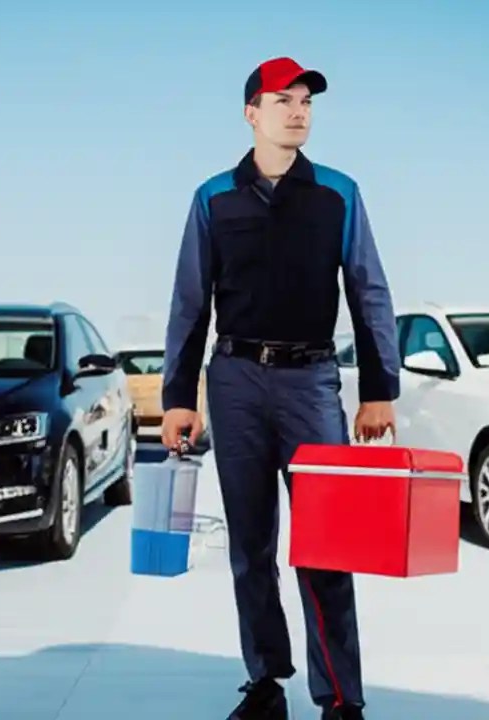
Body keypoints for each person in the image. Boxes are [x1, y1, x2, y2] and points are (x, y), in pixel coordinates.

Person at [159, 56, 401, 720]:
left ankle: (341, 698)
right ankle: (265, 683)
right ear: (251, 114)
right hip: (234, 381)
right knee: (251, 543)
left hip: (311, 383)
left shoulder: (339, 194)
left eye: (307, 101)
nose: (299, 111)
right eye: (283, 99)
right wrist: (179, 395)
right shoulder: (212, 198)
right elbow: (189, 302)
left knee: (327, 544)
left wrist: (380, 388)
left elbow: (369, 292)